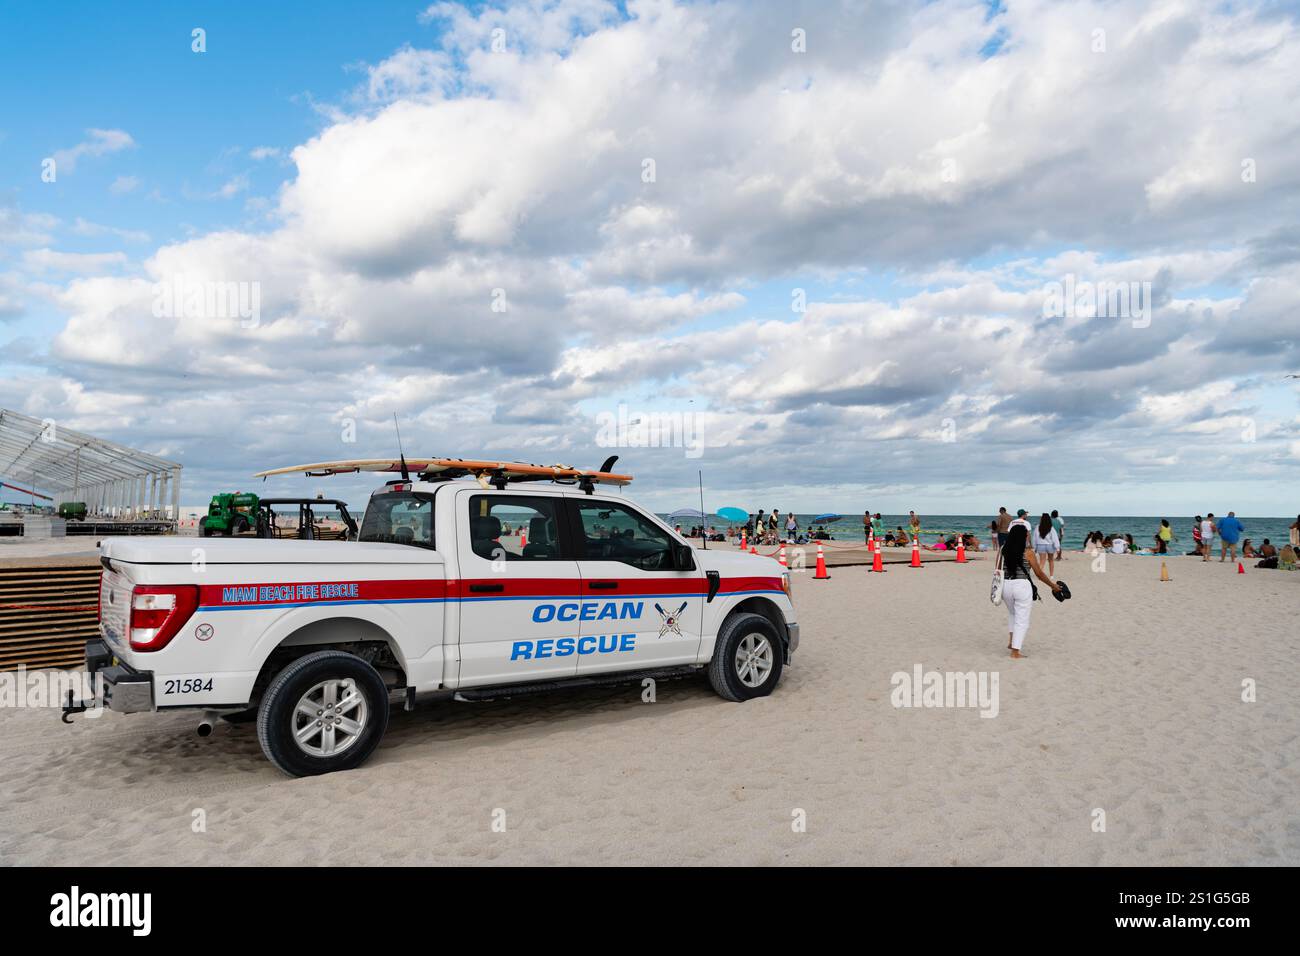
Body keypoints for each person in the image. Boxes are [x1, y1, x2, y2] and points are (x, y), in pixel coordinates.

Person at [999, 523, 1062, 660]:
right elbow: (1039, 574)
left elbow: (998, 569)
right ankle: (1015, 652)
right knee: (1022, 620)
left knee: (1012, 614)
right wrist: (1053, 586)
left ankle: (1011, 642)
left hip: (1005, 586)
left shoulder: (1003, 550)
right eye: (1027, 534)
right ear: (1023, 536)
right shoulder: (1028, 552)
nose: (1028, 536)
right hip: (1021, 587)